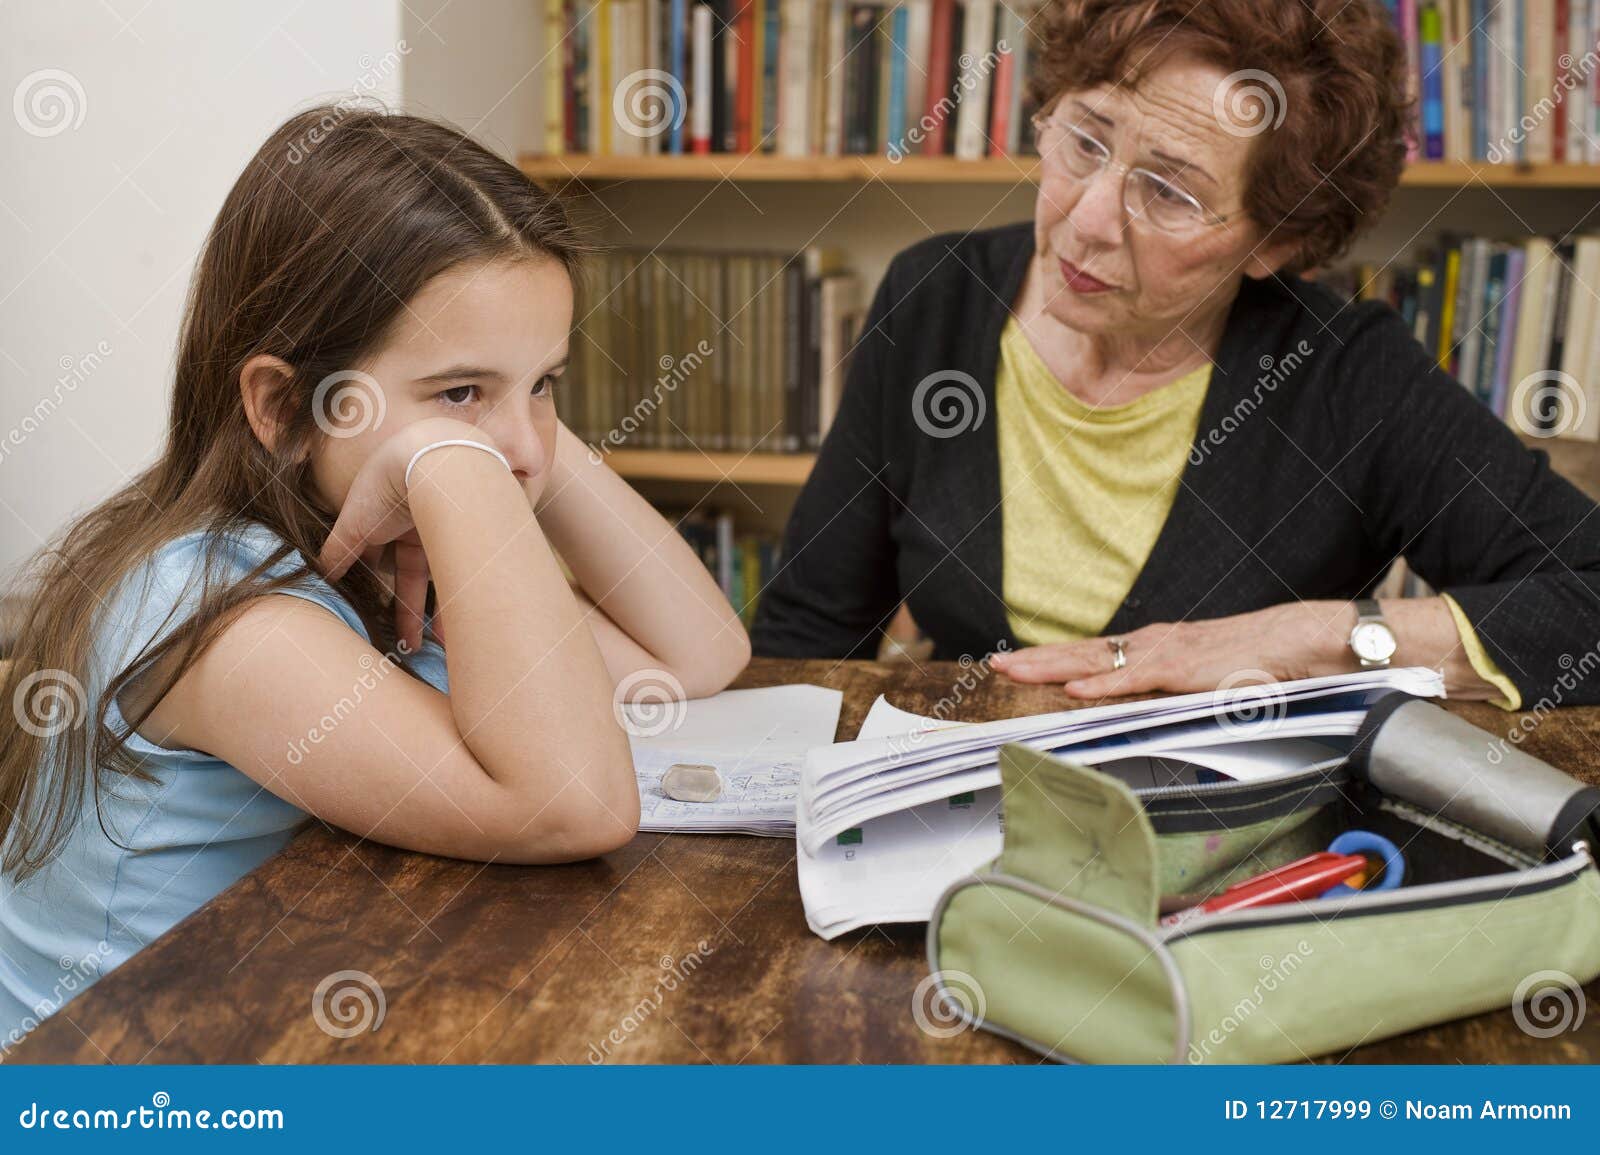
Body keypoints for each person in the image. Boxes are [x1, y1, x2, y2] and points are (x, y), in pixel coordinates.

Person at [0, 106, 750, 1045]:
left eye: (548, 381)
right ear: (282, 404)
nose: (523, 444)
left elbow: (697, 654)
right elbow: (574, 805)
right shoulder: (220, 619)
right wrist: (457, 461)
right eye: (457, 390)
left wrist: (489, 430)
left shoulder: (392, 544)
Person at [752, 0, 1600, 710]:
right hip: (946, 820)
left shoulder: (1347, 375)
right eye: (1085, 141)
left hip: (1227, 857)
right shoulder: (936, 295)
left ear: (1279, 240)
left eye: (1168, 191)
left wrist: (1308, 637)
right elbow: (807, 633)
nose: (1086, 220)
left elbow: (1586, 596)